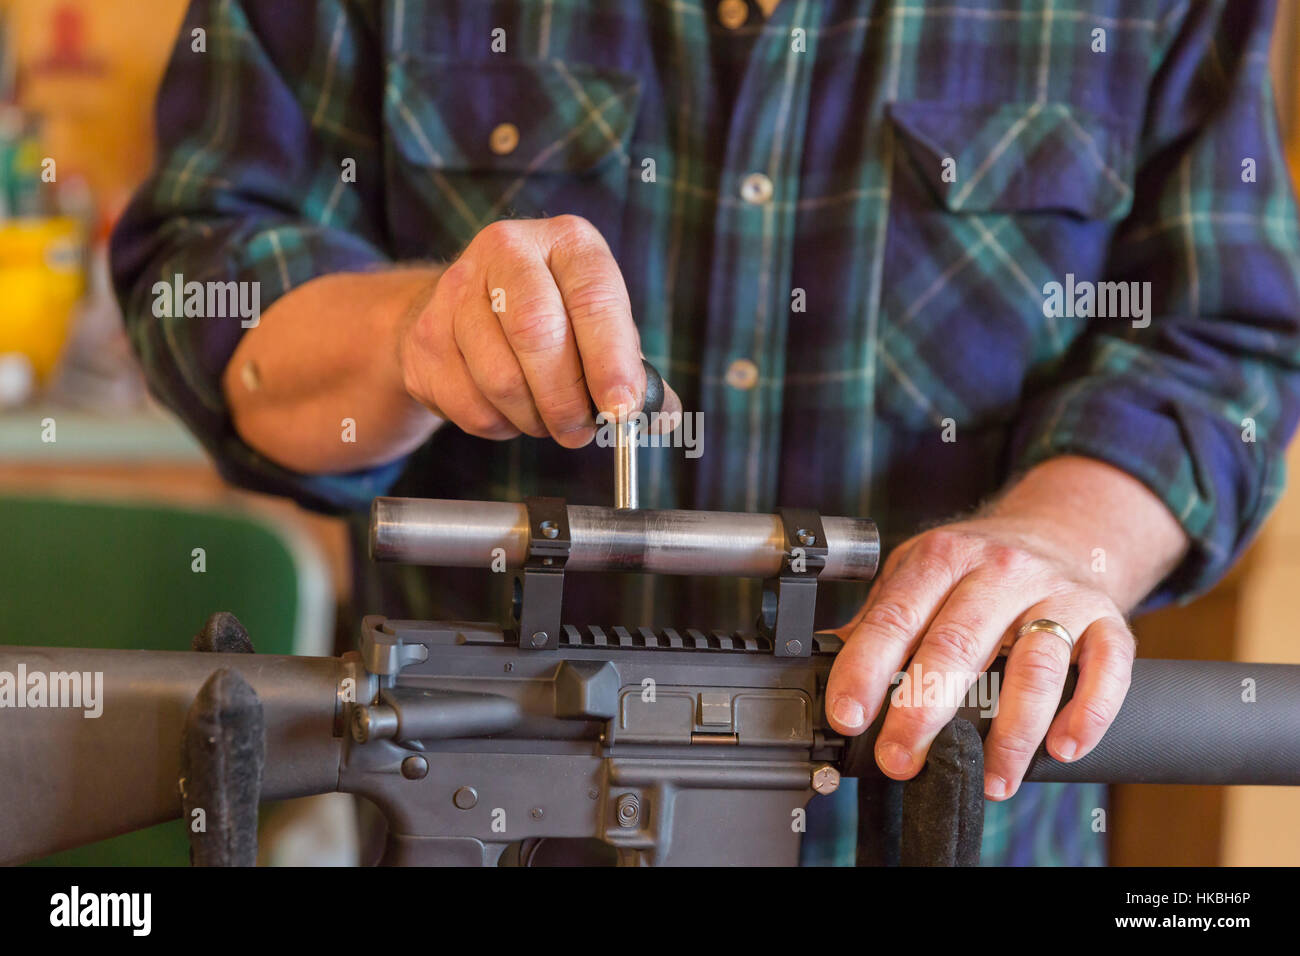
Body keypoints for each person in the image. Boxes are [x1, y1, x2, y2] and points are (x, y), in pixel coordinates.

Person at [112, 0, 1300, 865]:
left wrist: (1051, 543)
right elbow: (201, 278)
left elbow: (1230, 345)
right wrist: (409, 332)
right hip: (467, 803)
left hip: (951, 823)